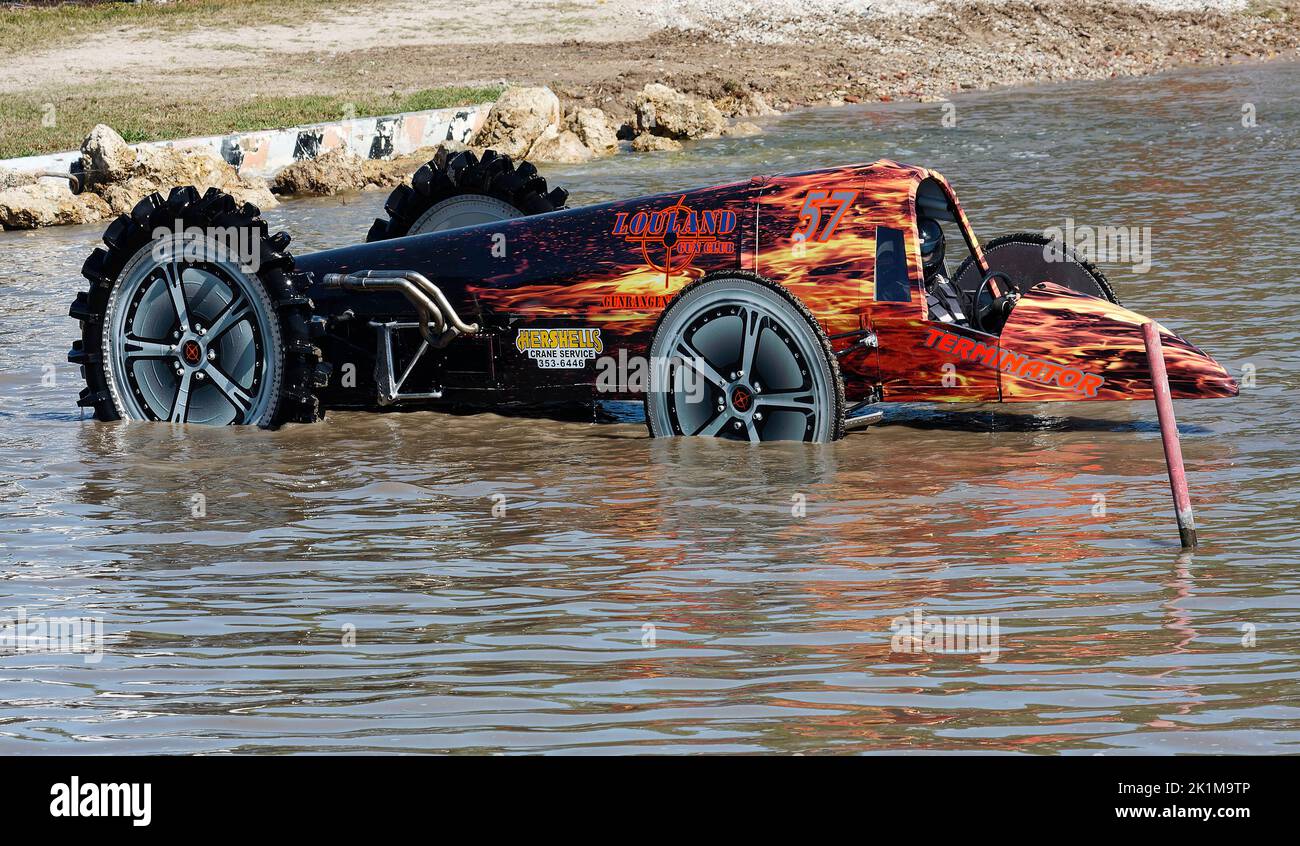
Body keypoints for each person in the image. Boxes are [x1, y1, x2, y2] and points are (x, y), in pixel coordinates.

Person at [919, 218, 967, 325]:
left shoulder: (948, 285)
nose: (919, 259)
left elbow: (974, 317)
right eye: (916, 253)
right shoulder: (904, 298)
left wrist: (998, 308)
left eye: (924, 252)